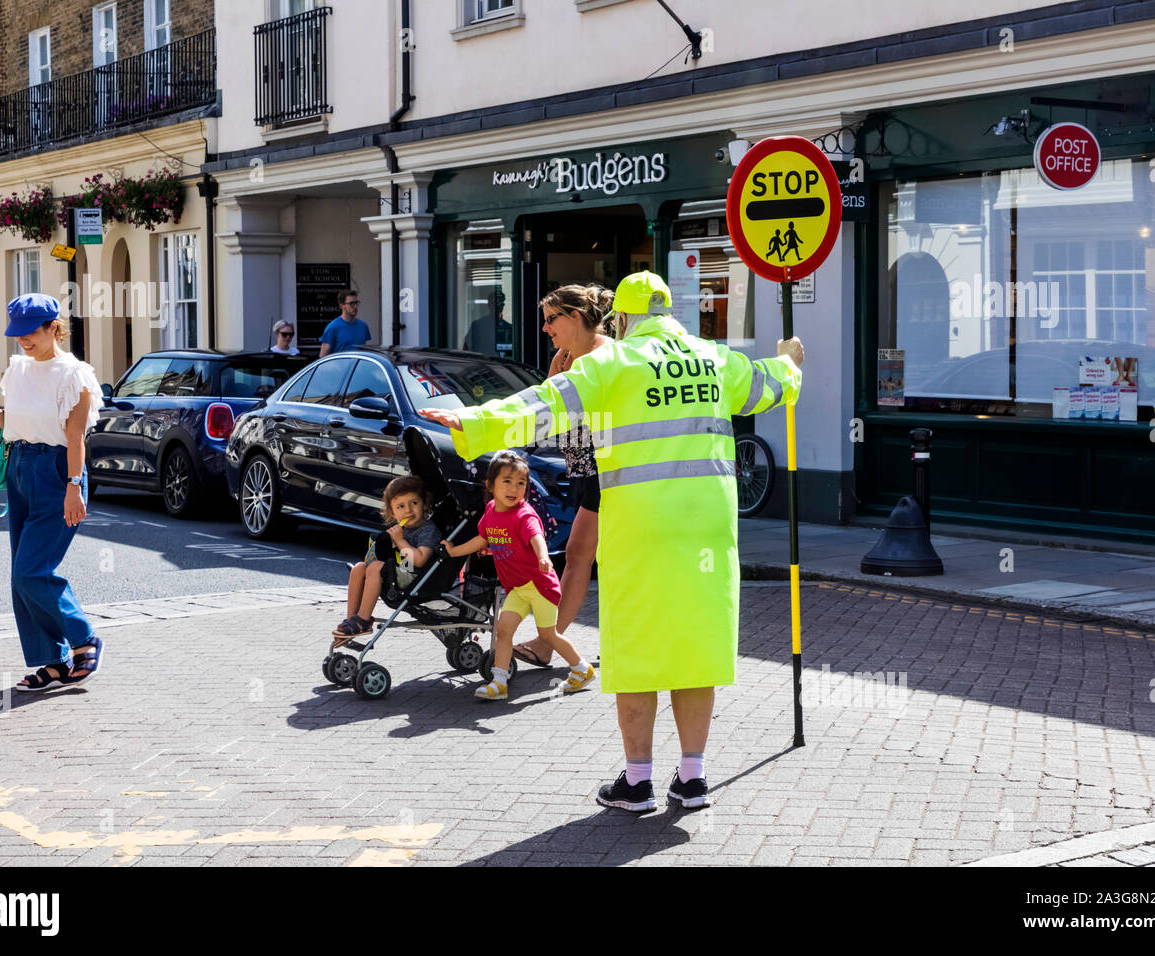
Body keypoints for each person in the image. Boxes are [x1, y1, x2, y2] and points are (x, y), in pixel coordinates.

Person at [421, 271, 804, 812]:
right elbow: (771, 384)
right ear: (671, 313)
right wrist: (790, 360)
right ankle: (693, 779)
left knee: (638, 652)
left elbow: (542, 406)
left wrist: (471, 424)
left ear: (621, 319)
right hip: (709, 536)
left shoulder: (613, 362)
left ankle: (638, 782)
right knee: (695, 653)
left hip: (641, 533)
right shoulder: (715, 358)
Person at [0, 293, 106, 692]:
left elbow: (75, 436)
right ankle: (52, 662)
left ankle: (84, 637)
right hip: (20, 468)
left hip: (58, 471)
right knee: (19, 575)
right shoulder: (18, 369)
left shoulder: (74, 375)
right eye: (17, 333)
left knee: (32, 571)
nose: (23, 340)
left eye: (30, 332)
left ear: (53, 328)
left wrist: (74, 488)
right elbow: (11, 423)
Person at [512, 284, 614, 670]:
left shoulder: (604, 355)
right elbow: (556, 416)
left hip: (607, 468)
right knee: (584, 556)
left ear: (575, 317)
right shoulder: (568, 357)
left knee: (580, 554)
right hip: (585, 467)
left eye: (551, 318)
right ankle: (551, 641)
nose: (545, 327)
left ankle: (546, 643)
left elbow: (593, 417)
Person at [441, 449, 595, 701]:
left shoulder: (524, 515)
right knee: (503, 631)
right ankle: (499, 683)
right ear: (490, 485)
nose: (514, 489)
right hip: (517, 588)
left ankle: (582, 669)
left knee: (548, 635)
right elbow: (483, 538)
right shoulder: (491, 510)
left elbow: (537, 537)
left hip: (539, 586)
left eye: (521, 483)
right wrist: (455, 551)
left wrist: (543, 557)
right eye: (507, 481)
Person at [333, 476, 440, 646]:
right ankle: (351, 620)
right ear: (392, 512)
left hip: (416, 578)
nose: (408, 511)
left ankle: (363, 619)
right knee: (360, 567)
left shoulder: (427, 530)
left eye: (414, 503)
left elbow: (419, 560)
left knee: (376, 568)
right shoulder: (401, 529)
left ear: (424, 503)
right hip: (398, 573)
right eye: (401, 506)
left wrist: (400, 541)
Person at [318, 290, 370, 356]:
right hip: (339, 366)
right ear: (342, 306)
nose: (355, 307)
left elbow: (363, 351)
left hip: (358, 366)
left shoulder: (363, 326)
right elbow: (323, 356)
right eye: (351, 303)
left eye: (356, 303)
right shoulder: (333, 327)